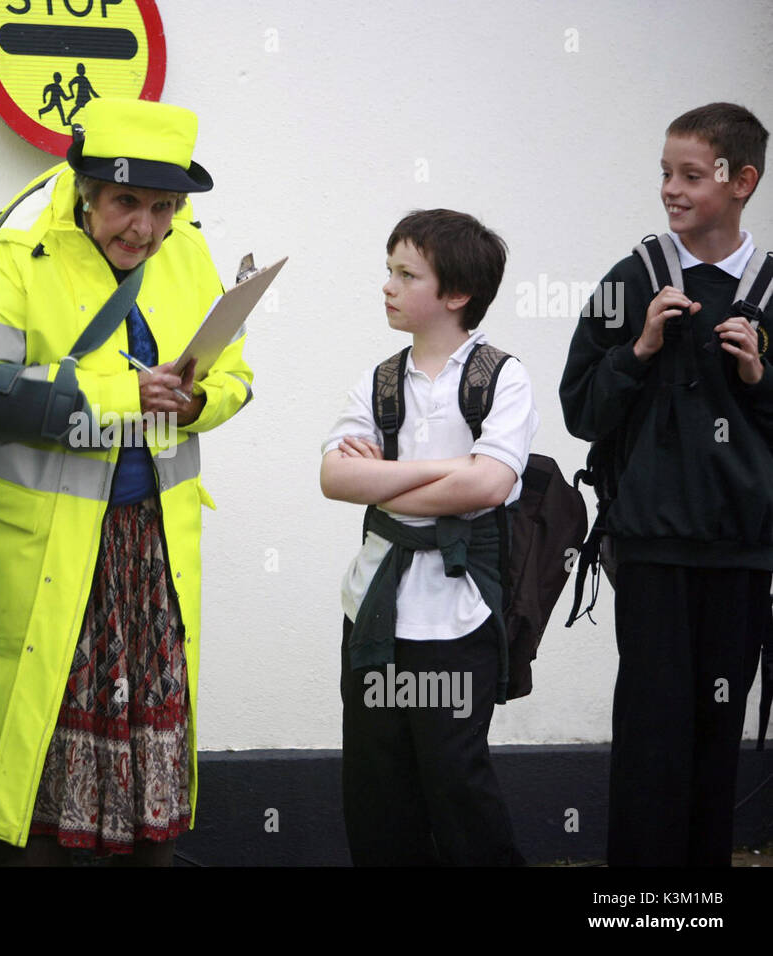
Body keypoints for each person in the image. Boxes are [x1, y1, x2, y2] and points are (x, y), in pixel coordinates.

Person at [0, 98, 254, 866]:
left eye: (163, 207)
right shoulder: (18, 252)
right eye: (126, 203)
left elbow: (238, 375)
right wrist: (129, 396)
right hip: (48, 554)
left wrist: (198, 400)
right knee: (38, 751)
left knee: (149, 752)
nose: (145, 228)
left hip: (148, 554)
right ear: (85, 188)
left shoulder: (189, 247)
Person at [560, 102, 770, 866]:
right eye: (664, 174)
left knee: (719, 738)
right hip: (649, 552)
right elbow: (580, 409)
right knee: (651, 736)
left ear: (741, 180)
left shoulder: (770, 292)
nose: (671, 190)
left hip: (744, 556)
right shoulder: (634, 280)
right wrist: (640, 347)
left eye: (691, 175)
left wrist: (758, 377)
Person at [320, 209, 536, 866]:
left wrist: (381, 475)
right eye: (389, 269)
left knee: (456, 780)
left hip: (459, 617)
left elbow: (490, 487)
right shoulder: (379, 381)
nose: (387, 284)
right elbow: (334, 476)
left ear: (456, 294)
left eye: (406, 273)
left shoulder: (502, 379)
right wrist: (450, 470)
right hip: (375, 611)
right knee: (376, 786)